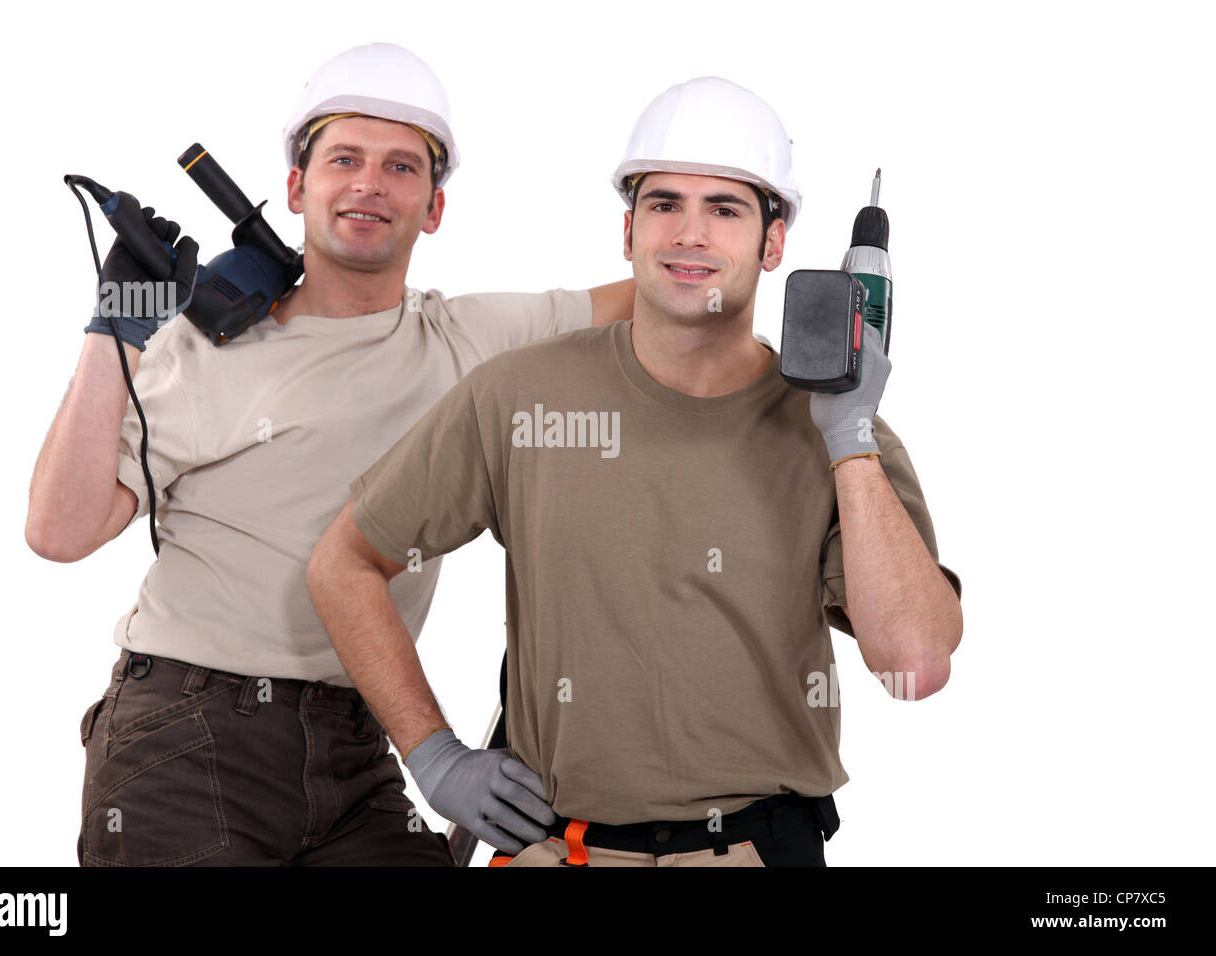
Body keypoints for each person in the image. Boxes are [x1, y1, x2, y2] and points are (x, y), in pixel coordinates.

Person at [307, 76, 964, 867]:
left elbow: (914, 662)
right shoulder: (521, 394)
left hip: (758, 849)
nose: (689, 233)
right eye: (664, 205)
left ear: (775, 242)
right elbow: (345, 560)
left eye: (724, 209)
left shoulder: (835, 427)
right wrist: (434, 755)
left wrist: (850, 435)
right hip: (561, 847)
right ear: (628, 231)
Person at [25, 42, 634, 866]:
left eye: (400, 167)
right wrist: (114, 333)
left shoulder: (463, 338)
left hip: (358, 744)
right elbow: (60, 531)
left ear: (434, 208)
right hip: (186, 734)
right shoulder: (197, 348)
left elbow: (663, 294)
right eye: (343, 158)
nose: (368, 184)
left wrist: (774, 267)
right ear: (294, 188)